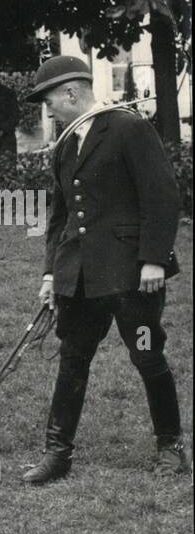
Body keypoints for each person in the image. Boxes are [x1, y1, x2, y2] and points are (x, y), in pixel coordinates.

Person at [22, 55, 186, 482]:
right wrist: (49, 275)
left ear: (71, 92)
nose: (49, 110)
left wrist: (154, 259)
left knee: (148, 354)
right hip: (78, 279)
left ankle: (171, 447)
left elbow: (162, 195)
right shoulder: (66, 143)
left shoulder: (128, 128)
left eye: (50, 101)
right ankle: (57, 454)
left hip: (132, 277)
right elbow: (59, 217)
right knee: (73, 359)